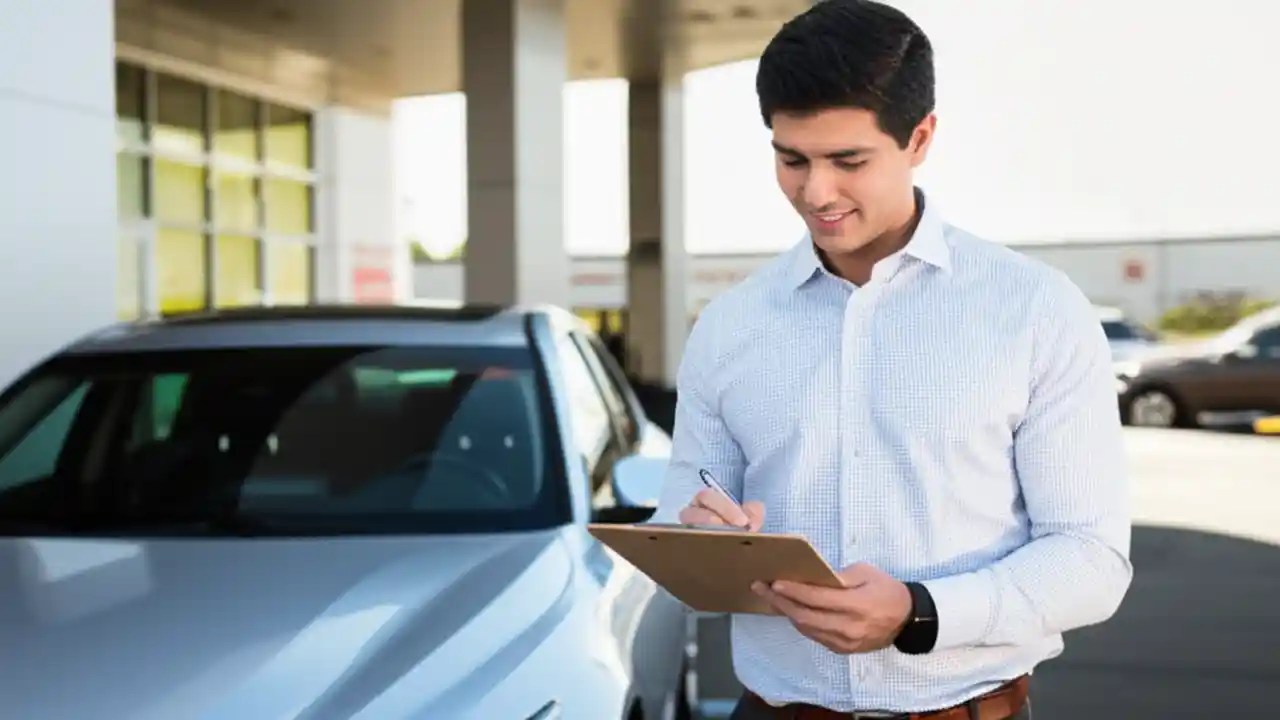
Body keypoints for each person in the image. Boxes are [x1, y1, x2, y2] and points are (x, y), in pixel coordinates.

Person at [648, 1, 1134, 718]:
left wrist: (920, 611)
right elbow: (679, 525)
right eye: (792, 159)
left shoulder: (1034, 310)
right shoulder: (728, 326)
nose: (817, 193)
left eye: (848, 161)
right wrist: (702, 544)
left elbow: (1090, 559)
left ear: (921, 137)